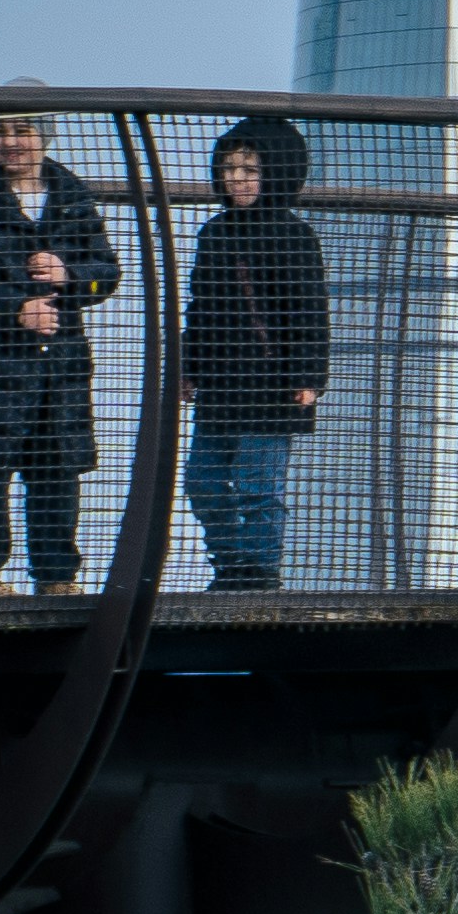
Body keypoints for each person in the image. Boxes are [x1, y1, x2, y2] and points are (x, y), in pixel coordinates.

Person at [0, 89, 120, 595]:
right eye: (0, 130)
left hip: (58, 369)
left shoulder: (73, 196)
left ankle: (56, 579)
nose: (10, 141)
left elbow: (108, 273)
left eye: (22, 130)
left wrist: (69, 273)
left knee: (55, 475)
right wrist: (18, 309)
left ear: (44, 136)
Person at [176, 113, 332, 589]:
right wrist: (188, 367)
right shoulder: (214, 233)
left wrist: (308, 378)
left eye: (248, 169)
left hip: (272, 386)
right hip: (220, 385)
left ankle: (258, 573)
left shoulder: (295, 235)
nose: (236, 179)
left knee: (258, 489)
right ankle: (233, 563)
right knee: (202, 482)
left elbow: (310, 311)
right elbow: (199, 307)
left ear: (275, 172)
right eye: (228, 169)